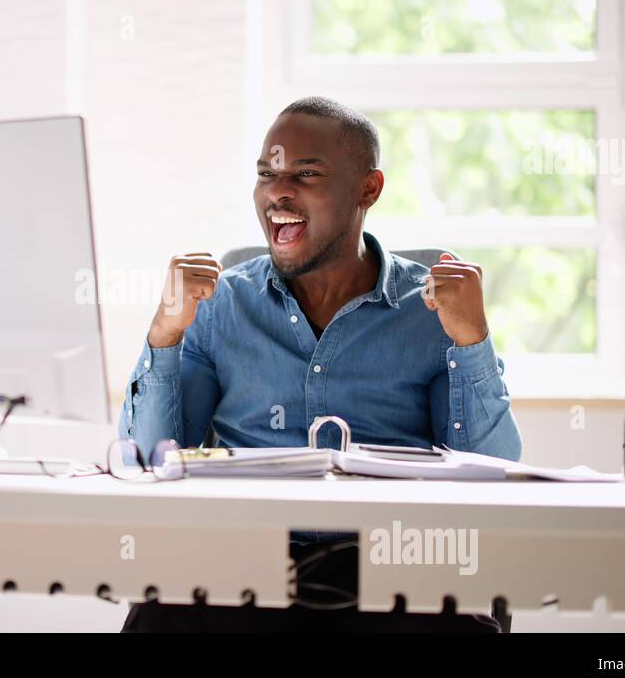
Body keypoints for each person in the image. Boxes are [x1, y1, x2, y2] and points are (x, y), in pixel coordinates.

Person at [117, 96, 522, 632]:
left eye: (306, 174)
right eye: (267, 173)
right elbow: (149, 461)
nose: (278, 192)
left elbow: (492, 478)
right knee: (158, 614)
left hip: (392, 565)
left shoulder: (431, 312)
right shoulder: (218, 306)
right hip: (249, 564)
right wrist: (164, 336)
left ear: (367, 190)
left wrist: (472, 342)